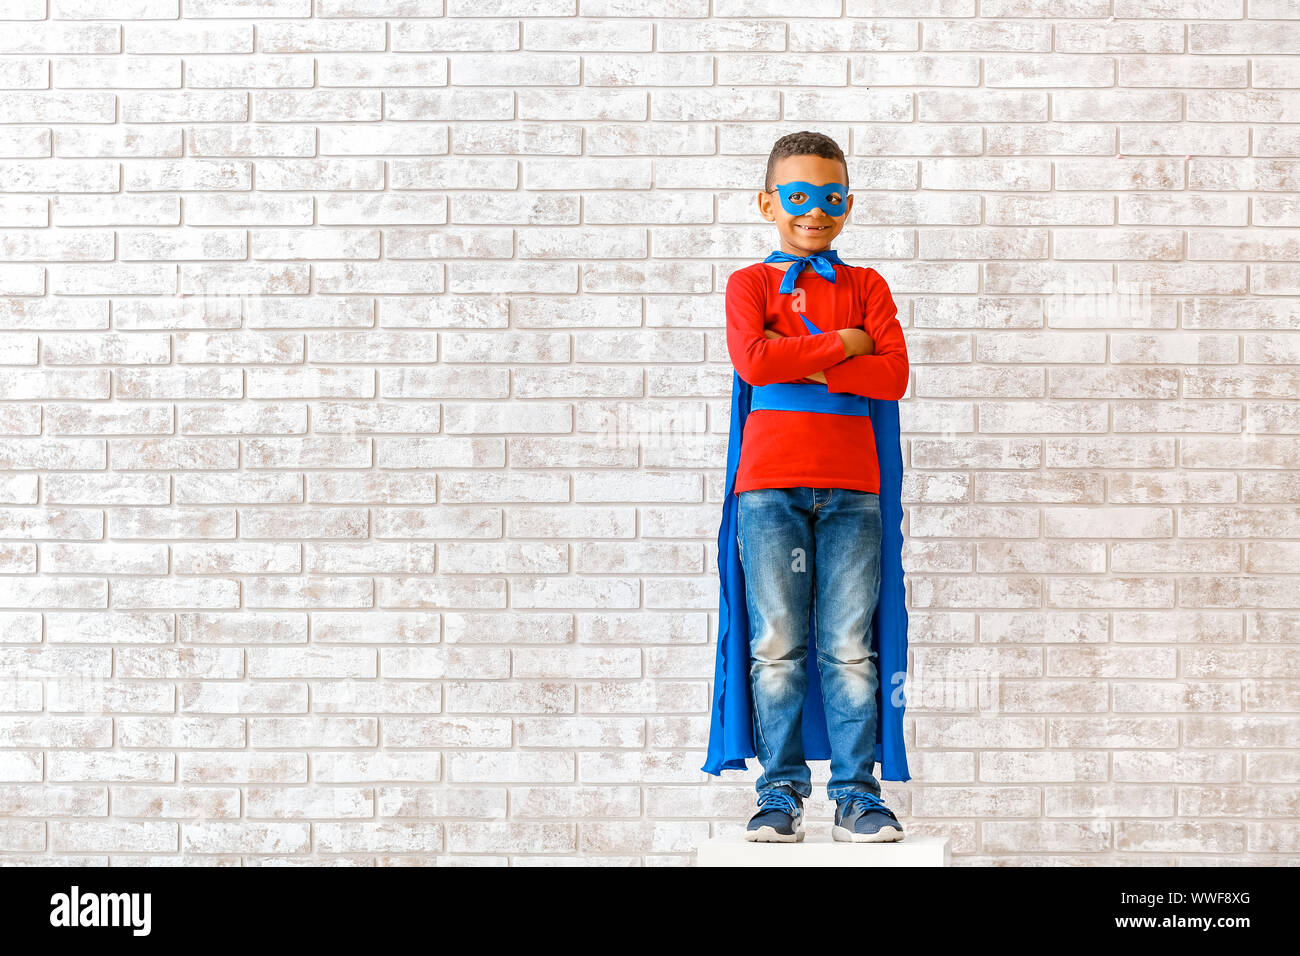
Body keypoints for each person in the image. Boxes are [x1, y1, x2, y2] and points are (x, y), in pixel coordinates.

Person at [715, 131, 910, 843]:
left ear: (848, 204)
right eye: (797, 196)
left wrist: (804, 359)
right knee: (775, 644)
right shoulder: (751, 284)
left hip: (853, 489)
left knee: (850, 645)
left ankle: (857, 794)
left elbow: (892, 377)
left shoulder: (868, 286)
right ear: (769, 202)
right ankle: (779, 793)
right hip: (768, 488)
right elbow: (755, 362)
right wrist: (845, 344)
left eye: (830, 197)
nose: (814, 211)